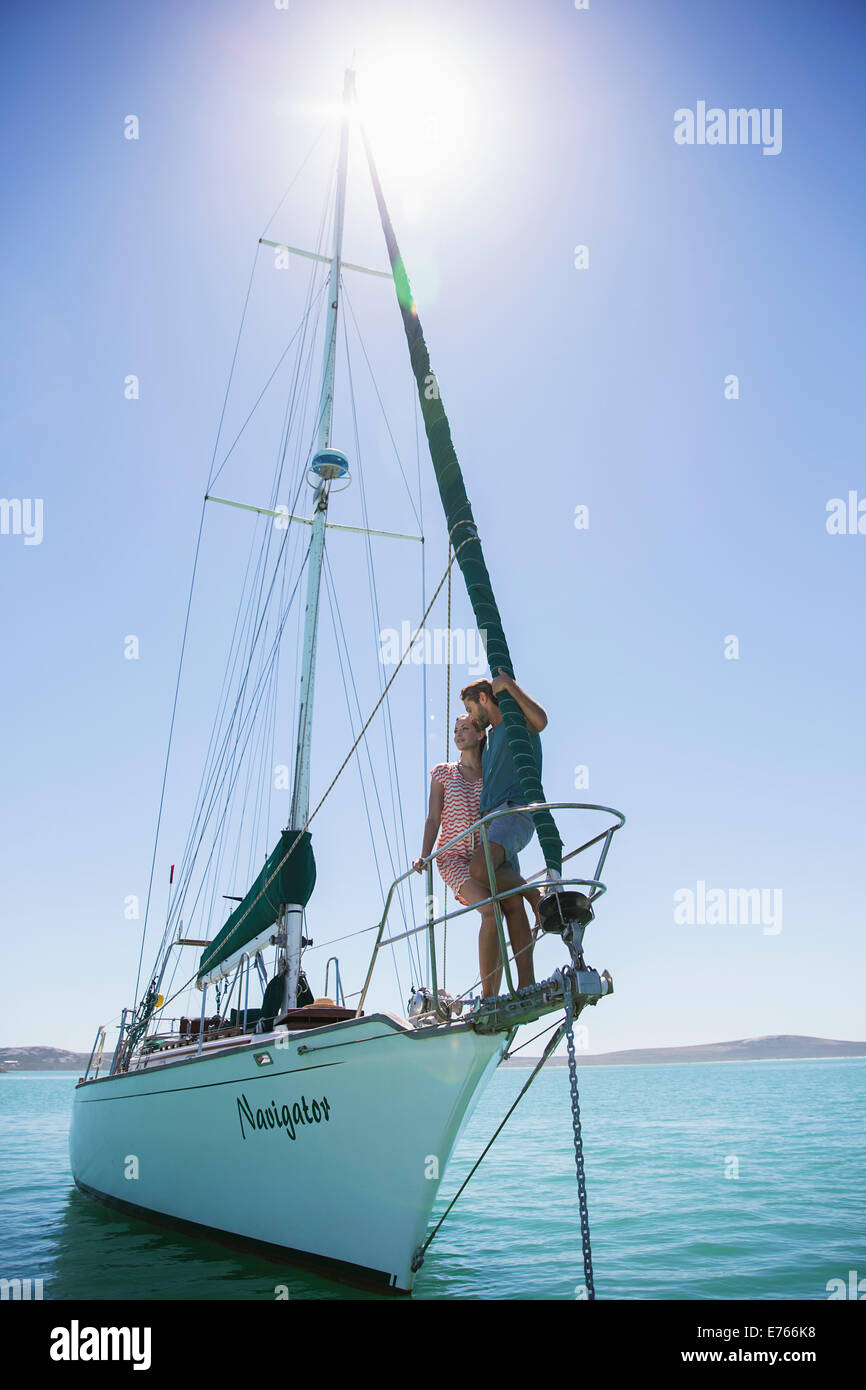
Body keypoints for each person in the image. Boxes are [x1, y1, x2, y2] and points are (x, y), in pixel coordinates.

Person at [460, 670, 546, 995]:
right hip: (494, 821)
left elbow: (540, 721)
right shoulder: (492, 736)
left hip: (513, 810)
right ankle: (526, 985)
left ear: (484, 700)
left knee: (480, 870)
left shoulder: (512, 720)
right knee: (508, 905)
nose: (470, 718)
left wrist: (509, 686)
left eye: (471, 709)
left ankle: (533, 893)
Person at [413, 715, 504, 995]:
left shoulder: (491, 773)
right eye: (455, 731)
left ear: (480, 734)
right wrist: (424, 855)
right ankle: (489, 997)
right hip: (452, 858)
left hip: (482, 857)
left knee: (499, 914)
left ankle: (495, 995)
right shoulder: (444, 773)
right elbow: (432, 818)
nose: (458, 734)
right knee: (490, 910)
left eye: (465, 729)